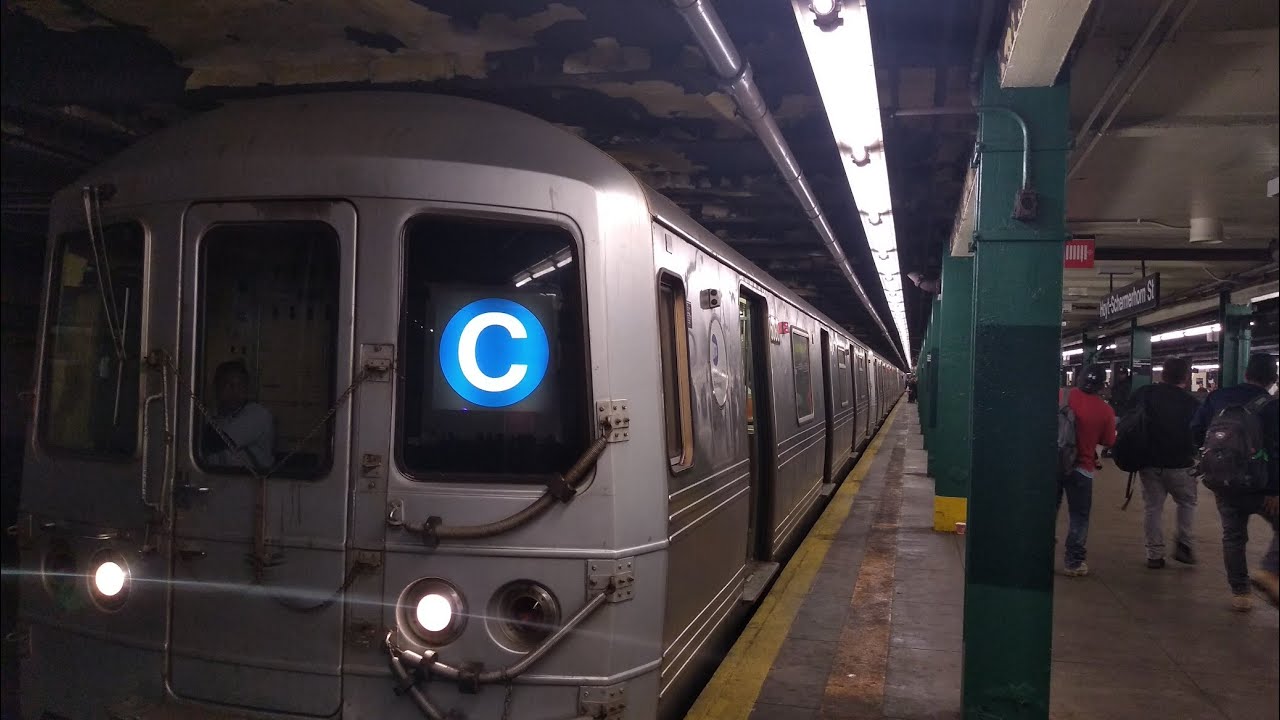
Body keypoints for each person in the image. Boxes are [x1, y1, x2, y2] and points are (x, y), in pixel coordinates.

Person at [1192, 353, 1279, 611]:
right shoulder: (1273, 406)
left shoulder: (1217, 398)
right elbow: (1277, 451)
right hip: (1263, 486)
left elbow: (1196, 430)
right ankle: (1271, 569)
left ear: (1246, 373)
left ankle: (1240, 593)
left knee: (1233, 536)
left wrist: (1215, 463)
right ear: (1273, 378)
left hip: (1225, 481)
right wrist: (1276, 489)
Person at [1124, 357, 1201, 569]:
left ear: (1162, 373)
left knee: (1153, 507)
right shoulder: (1192, 403)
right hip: (1181, 464)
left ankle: (1155, 555)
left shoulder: (1145, 394)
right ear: (1186, 377)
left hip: (1149, 463)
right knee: (1186, 503)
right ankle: (1184, 545)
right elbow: (1199, 434)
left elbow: (1127, 419)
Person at [1059, 364, 1117, 577]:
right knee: (1079, 517)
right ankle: (1073, 563)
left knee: (1047, 513)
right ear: (1103, 385)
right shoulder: (1105, 410)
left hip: (1054, 465)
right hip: (1081, 469)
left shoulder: (1061, 396)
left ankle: (1037, 557)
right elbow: (1109, 440)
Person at [203, 360, 275, 471]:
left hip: (252, 484)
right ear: (216, 387)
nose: (234, 391)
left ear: (247, 388)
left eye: (240, 385)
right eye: (227, 384)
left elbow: (216, 441)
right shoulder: (211, 416)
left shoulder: (257, 414)